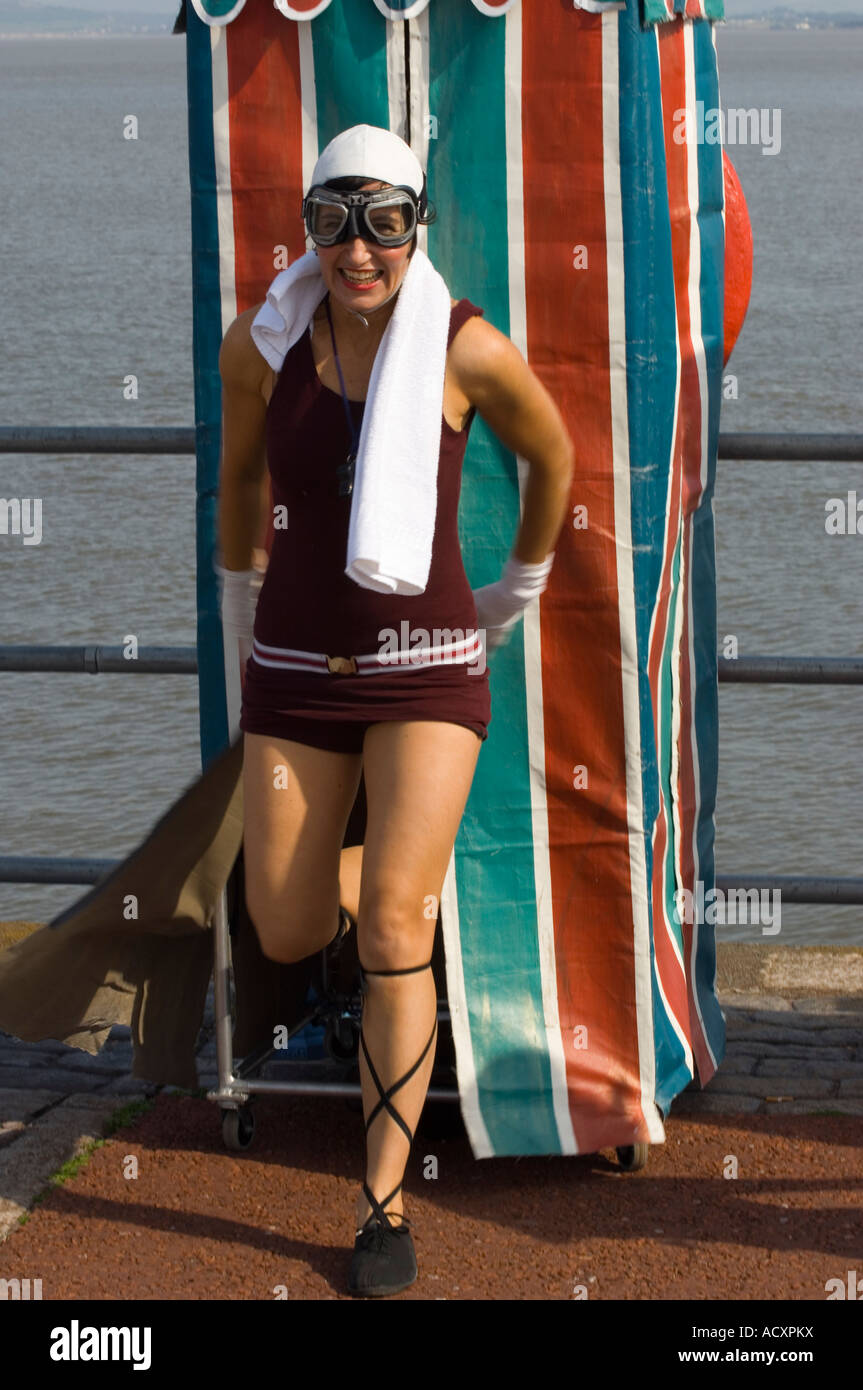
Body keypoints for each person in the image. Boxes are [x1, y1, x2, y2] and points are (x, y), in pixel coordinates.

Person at [216, 124, 574, 1298]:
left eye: (382, 221)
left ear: (414, 225)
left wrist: (514, 588)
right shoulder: (263, 344)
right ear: (308, 226)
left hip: (425, 661)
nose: (358, 249)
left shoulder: (466, 346)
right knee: (280, 927)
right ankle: (370, 861)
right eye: (333, 220)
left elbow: (552, 455)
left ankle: (380, 1205)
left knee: (389, 933)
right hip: (294, 665)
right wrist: (236, 617)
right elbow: (238, 482)